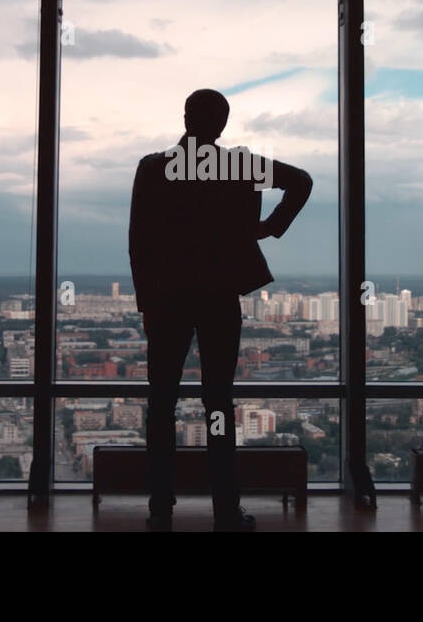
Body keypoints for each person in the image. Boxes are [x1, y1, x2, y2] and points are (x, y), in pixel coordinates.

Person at [128, 88, 312, 532]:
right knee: (217, 404)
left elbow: (139, 242)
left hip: (168, 299)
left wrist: (147, 304)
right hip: (217, 296)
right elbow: (301, 181)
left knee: (161, 404)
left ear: (186, 116)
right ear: (222, 124)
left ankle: (160, 510)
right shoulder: (237, 165)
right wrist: (268, 229)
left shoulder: (155, 168)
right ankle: (226, 510)